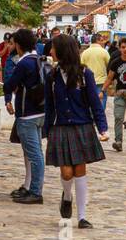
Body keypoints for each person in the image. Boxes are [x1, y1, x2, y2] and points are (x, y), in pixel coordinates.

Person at [44, 33, 108, 229]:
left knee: (79, 170)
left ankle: (81, 216)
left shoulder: (84, 74)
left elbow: (94, 103)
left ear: (62, 50)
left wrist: (103, 127)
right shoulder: (52, 76)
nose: (51, 51)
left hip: (82, 126)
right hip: (61, 127)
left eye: (54, 48)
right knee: (66, 172)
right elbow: (49, 106)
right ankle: (67, 195)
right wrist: (46, 130)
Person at [5, 27, 46, 205]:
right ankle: (31, 187)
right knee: (35, 153)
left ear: (19, 45)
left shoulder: (23, 63)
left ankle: (36, 191)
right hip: (41, 111)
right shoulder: (40, 60)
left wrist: (13, 87)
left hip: (27, 113)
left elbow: (9, 85)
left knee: (34, 155)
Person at [81, 33, 111, 113]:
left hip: (88, 82)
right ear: (97, 41)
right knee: (101, 106)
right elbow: (110, 66)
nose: (103, 42)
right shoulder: (104, 52)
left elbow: (81, 67)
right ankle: (99, 122)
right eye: (101, 40)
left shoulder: (84, 53)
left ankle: (92, 122)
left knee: (90, 104)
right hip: (101, 82)